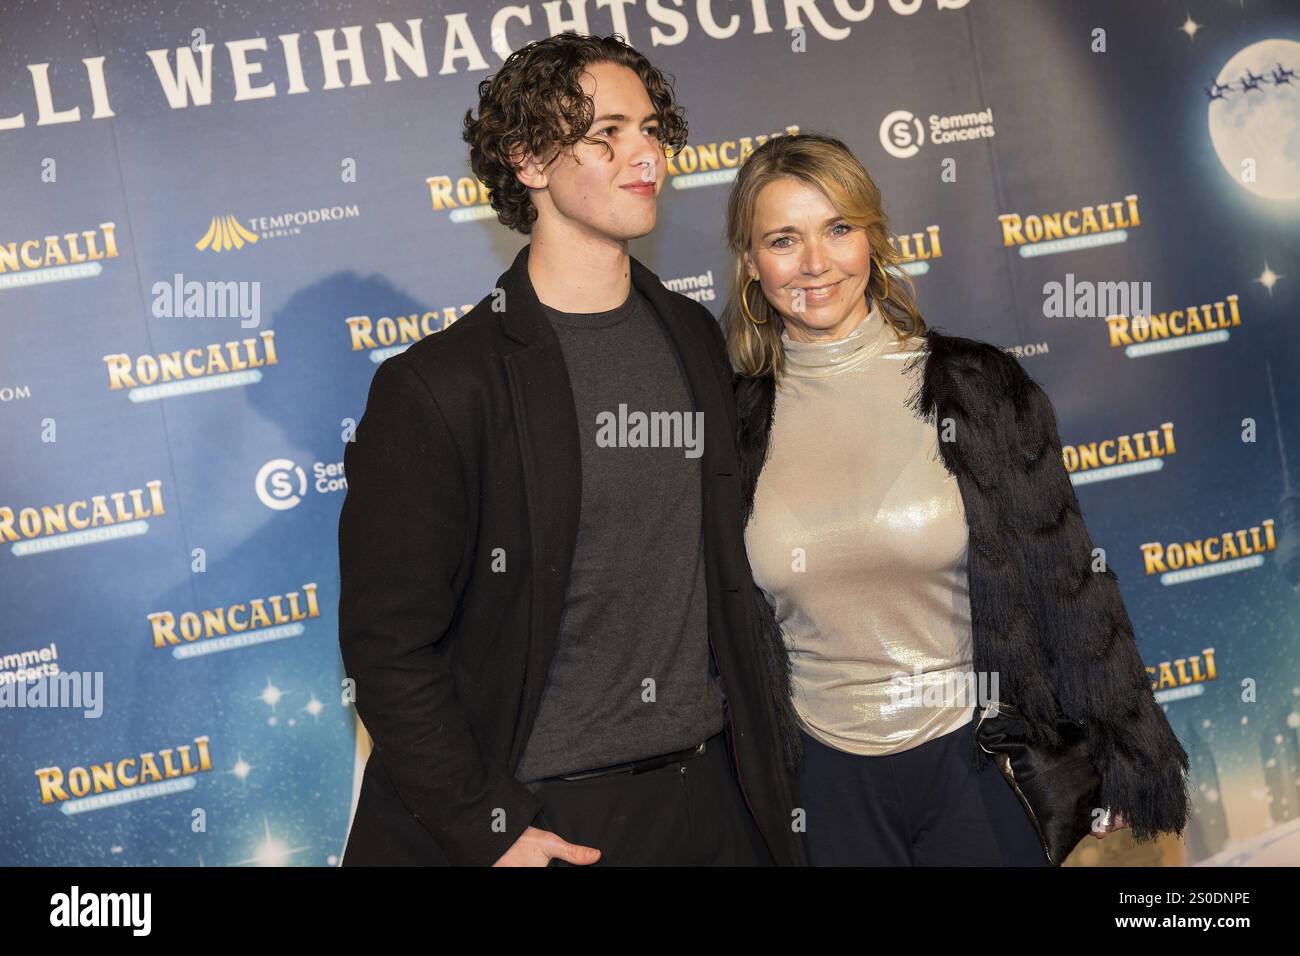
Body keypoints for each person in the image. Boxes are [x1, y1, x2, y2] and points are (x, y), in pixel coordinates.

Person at [337, 32, 805, 867]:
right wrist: (492, 829)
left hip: (715, 799)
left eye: (653, 131)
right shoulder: (442, 386)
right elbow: (389, 648)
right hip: (550, 819)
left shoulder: (693, 334)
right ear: (527, 160)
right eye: (607, 135)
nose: (646, 157)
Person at [723, 132, 1191, 866]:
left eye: (839, 229)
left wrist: (1128, 757)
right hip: (823, 788)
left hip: (980, 769)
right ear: (752, 264)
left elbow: (1071, 589)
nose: (815, 263)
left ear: (873, 239)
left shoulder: (979, 388)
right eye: (784, 239)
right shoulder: (731, 427)